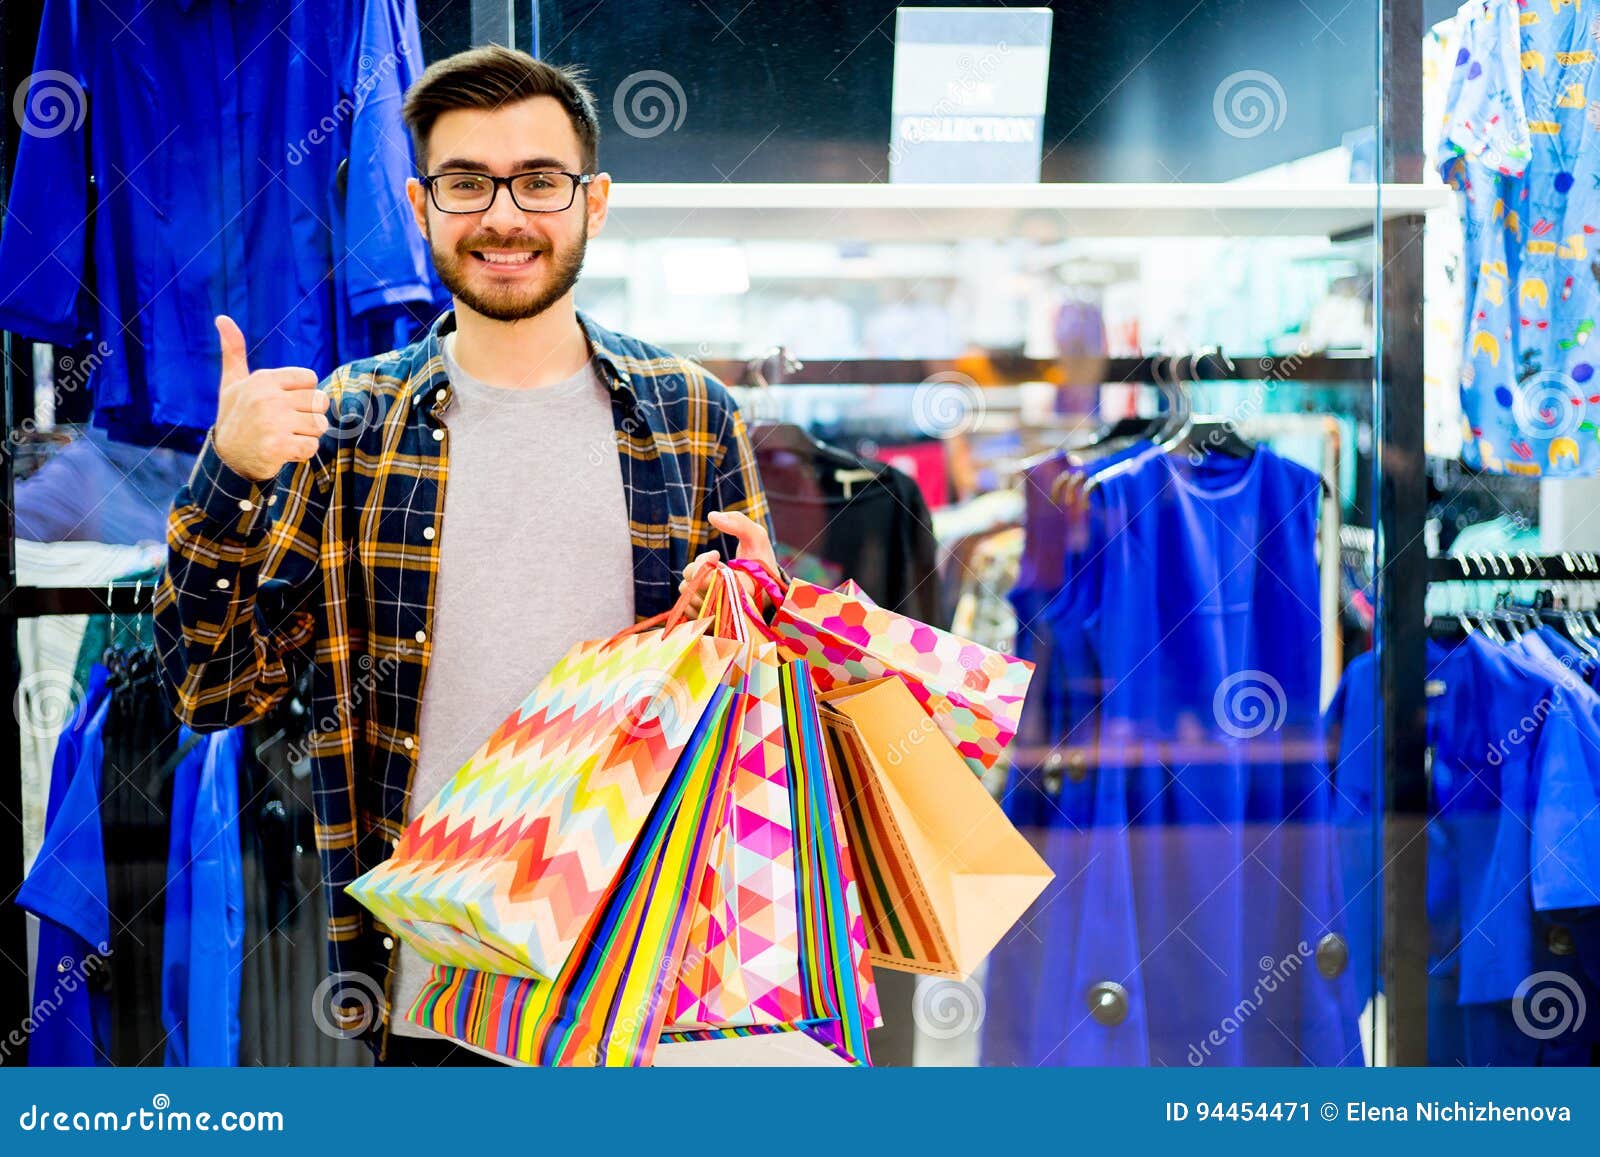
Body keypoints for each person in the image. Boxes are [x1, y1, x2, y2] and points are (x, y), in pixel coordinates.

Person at [154, 45, 781, 1067]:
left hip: (655, 978)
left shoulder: (691, 414)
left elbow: (750, 722)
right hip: (431, 988)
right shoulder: (351, 418)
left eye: (539, 180)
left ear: (595, 199)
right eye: (465, 183)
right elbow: (212, 688)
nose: (504, 216)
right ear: (418, 203)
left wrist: (762, 620)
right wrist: (224, 477)